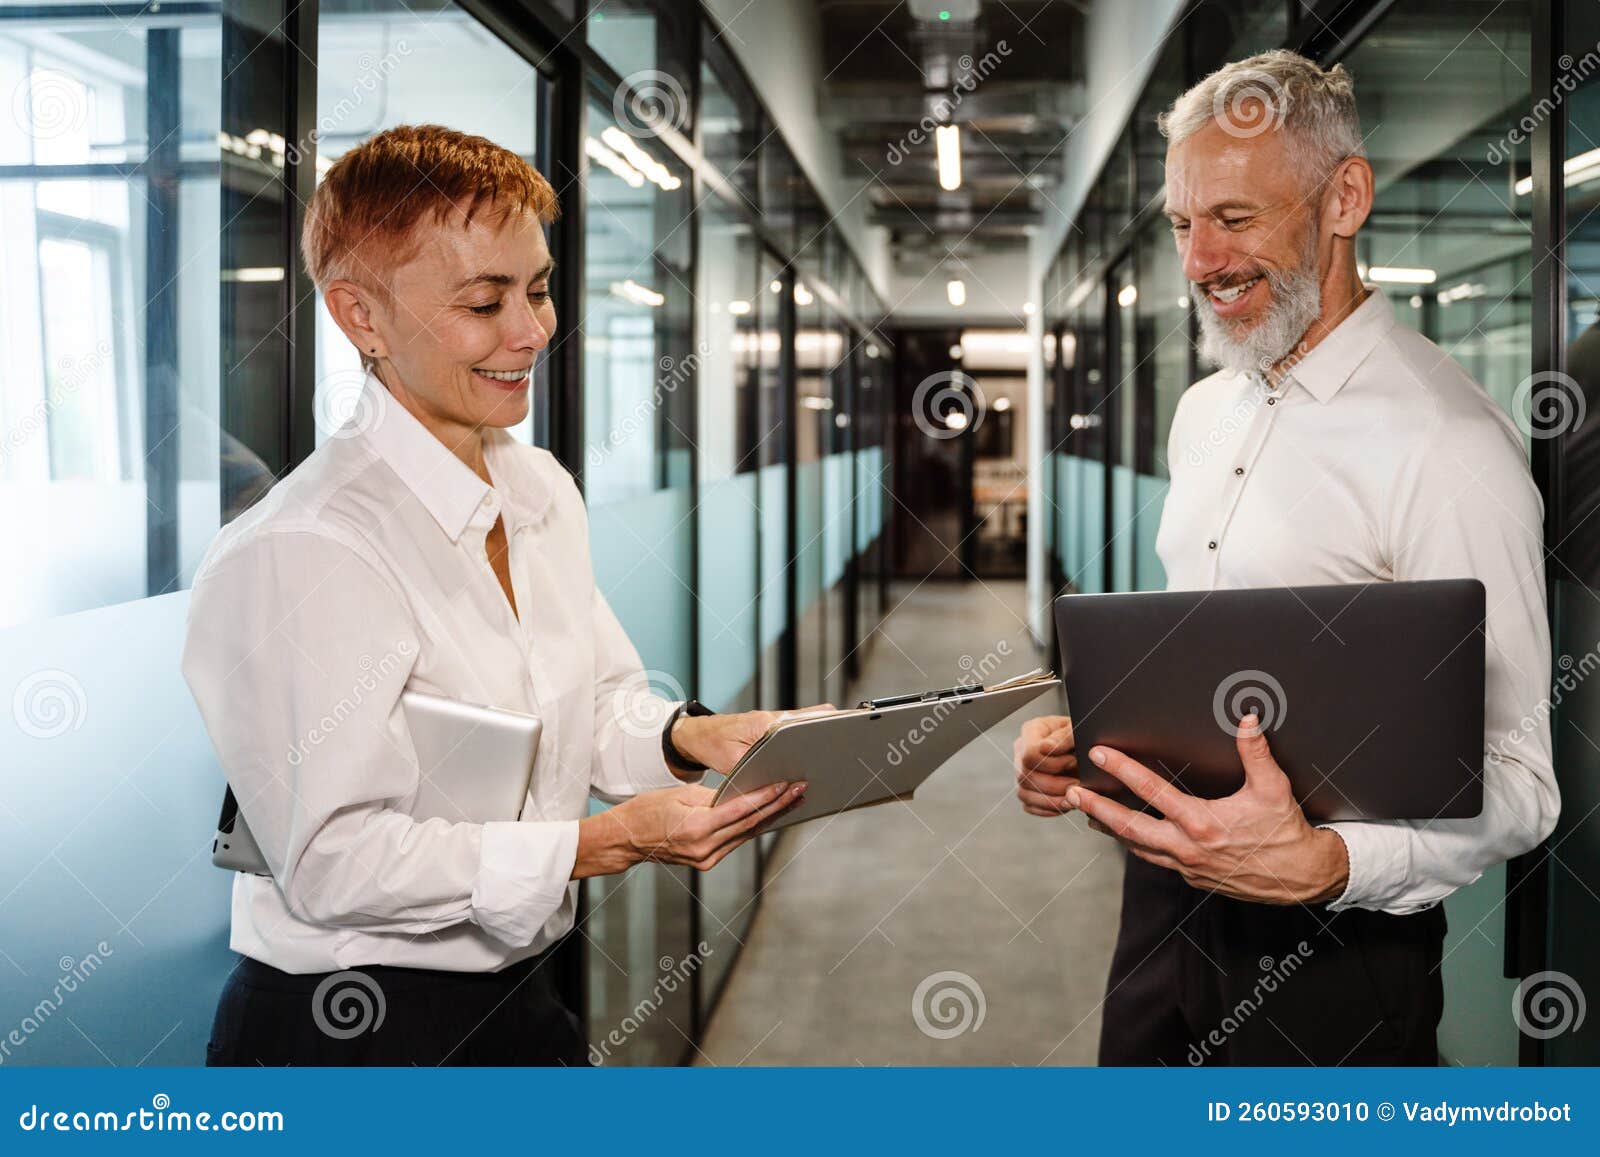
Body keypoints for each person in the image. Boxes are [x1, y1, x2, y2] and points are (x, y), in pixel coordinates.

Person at [183, 124, 810, 1066]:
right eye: (484, 302)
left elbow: (592, 704)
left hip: (519, 996)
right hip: (352, 1031)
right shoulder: (302, 549)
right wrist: (604, 842)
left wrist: (691, 737)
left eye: (540, 287)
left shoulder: (539, 489)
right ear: (361, 316)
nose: (532, 331)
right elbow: (331, 859)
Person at [1014, 51, 1559, 1066]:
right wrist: (1099, 741)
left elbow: (1524, 781)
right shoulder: (1202, 412)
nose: (1198, 259)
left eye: (1233, 217)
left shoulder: (1448, 445)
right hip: (1160, 911)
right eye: (1181, 224)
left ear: (1342, 197)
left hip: (1340, 951)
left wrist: (1326, 862)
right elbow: (1207, 671)